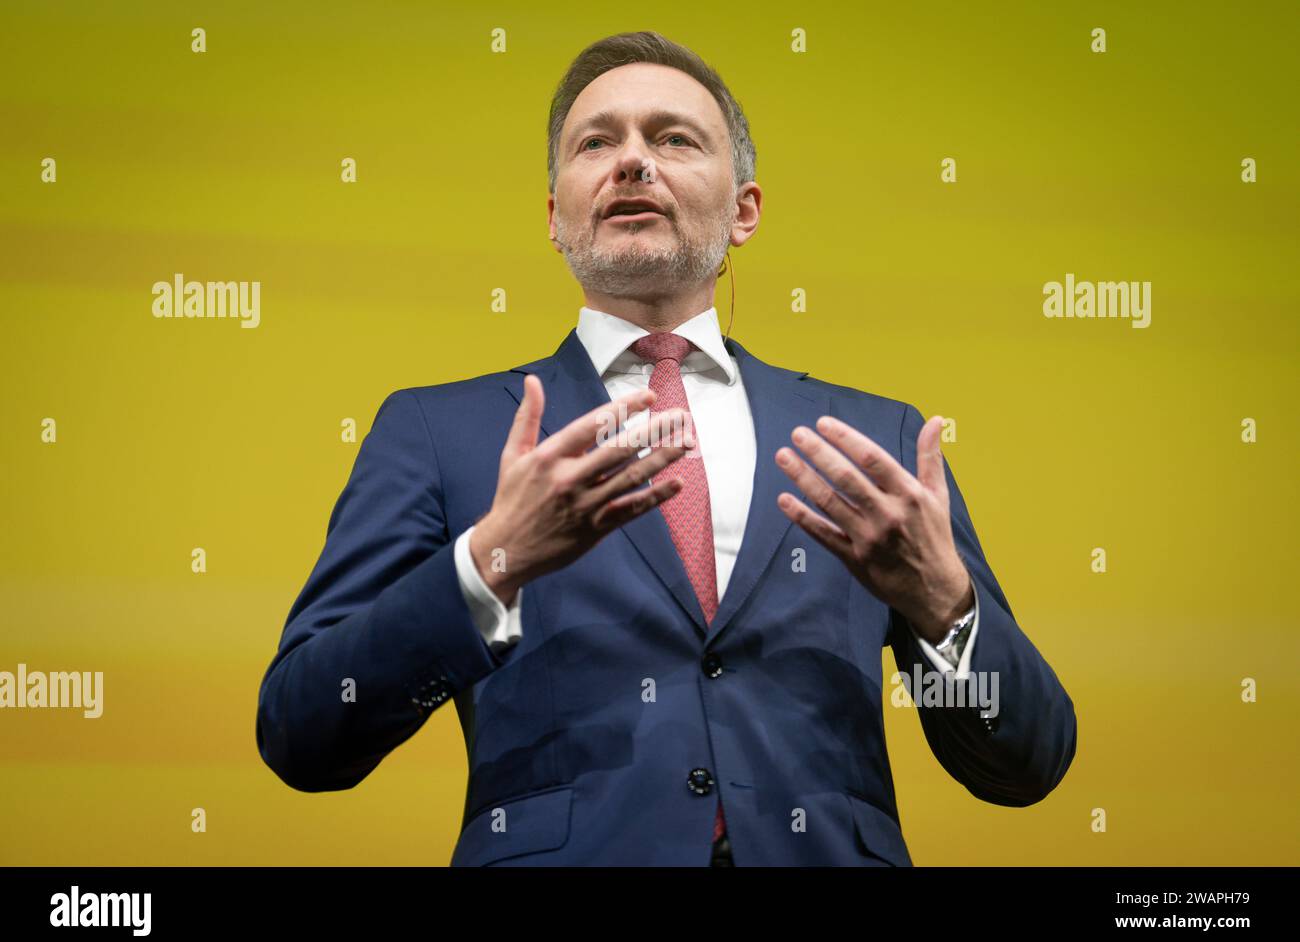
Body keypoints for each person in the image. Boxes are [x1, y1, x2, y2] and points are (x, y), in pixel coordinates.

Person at [256, 30, 1077, 866]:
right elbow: (303, 732)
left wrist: (946, 605)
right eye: (596, 142)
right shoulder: (439, 433)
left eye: (674, 138)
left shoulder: (878, 443)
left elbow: (1027, 764)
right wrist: (490, 563)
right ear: (555, 215)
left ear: (744, 211)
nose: (632, 162)